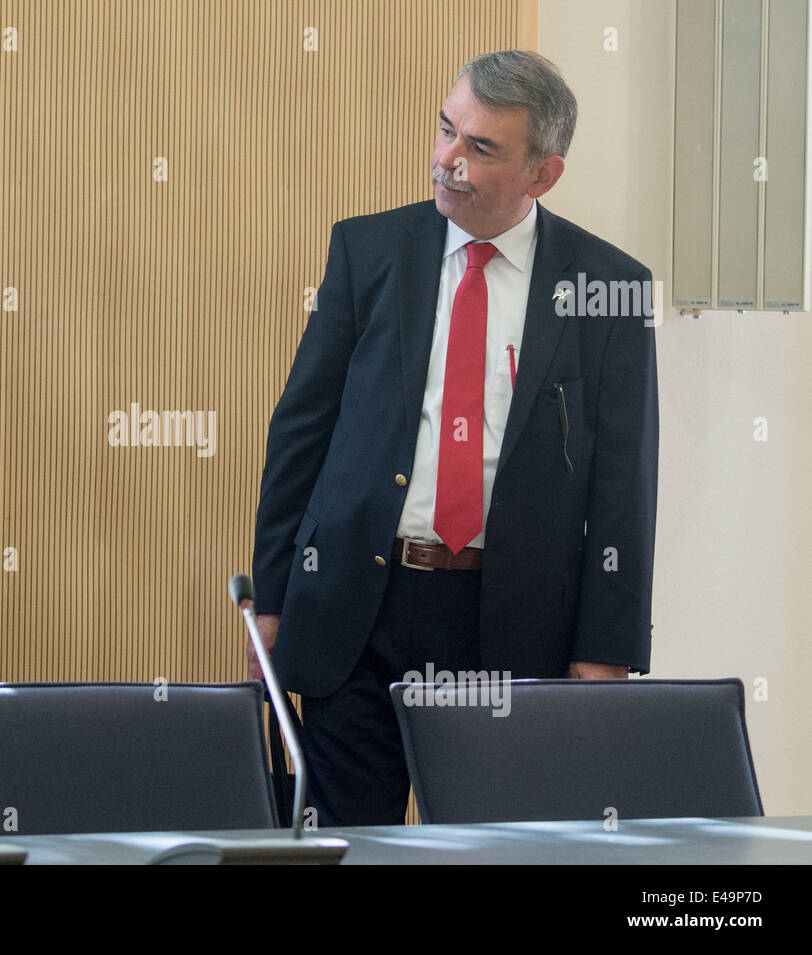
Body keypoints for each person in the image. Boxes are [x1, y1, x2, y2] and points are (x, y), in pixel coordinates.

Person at [250, 50, 658, 826]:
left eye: (481, 149)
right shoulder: (366, 252)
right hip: (359, 609)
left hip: (511, 620)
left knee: (494, 844)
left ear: (543, 175)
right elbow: (300, 435)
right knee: (346, 841)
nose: (448, 160)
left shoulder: (610, 288)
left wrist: (606, 646)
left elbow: (624, 487)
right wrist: (272, 600)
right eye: (446, 131)